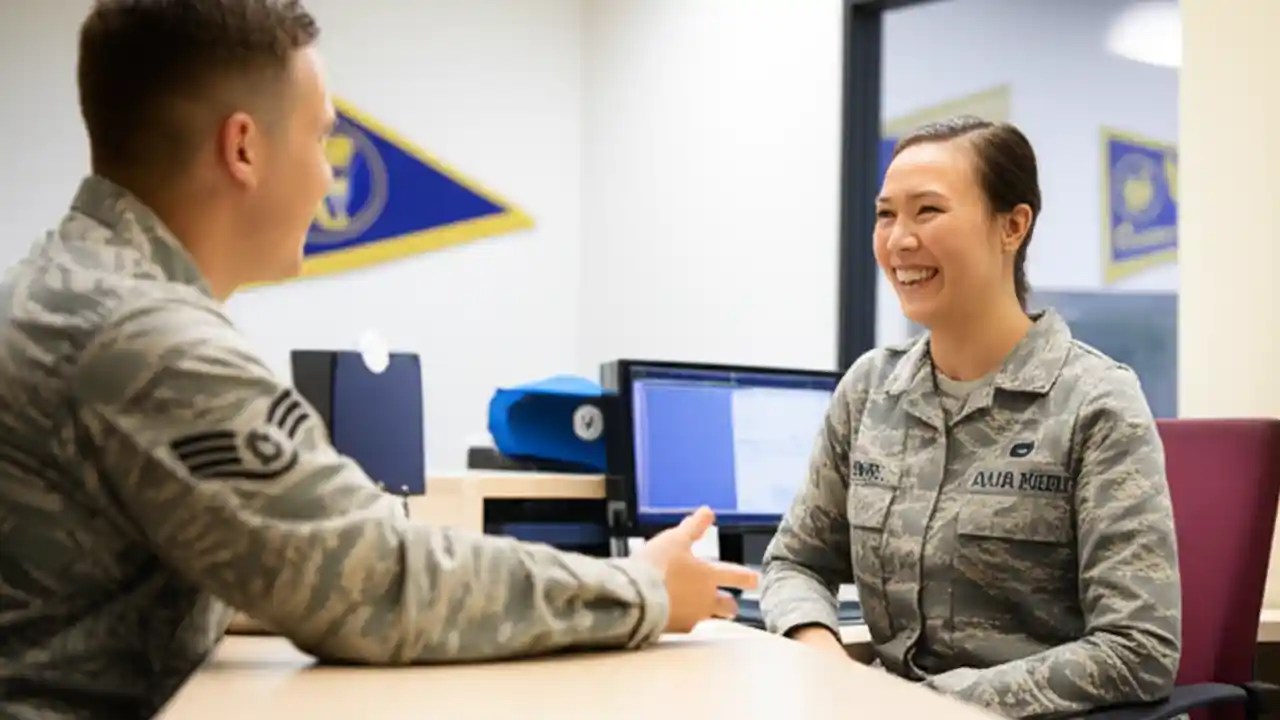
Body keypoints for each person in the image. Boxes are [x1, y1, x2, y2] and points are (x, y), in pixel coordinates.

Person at [0, 1, 757, 717]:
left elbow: (284, 562)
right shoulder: (145, 338)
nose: (329, 176)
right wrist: (641, 588)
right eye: (321, 140)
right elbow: (374, 578)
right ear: (244, 148)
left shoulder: (72, 287)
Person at [759, 115, 1181, 718]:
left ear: (1012, 226)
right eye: (886, 215)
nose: (899, 240)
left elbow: (1139, 649)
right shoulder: (869, 390)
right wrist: (822, 655)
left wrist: (924, 704)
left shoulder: (1096, 402)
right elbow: (795, 562)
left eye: (928, 211)